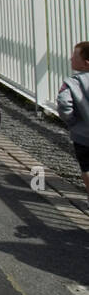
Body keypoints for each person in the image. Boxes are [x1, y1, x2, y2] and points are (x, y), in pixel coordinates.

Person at [56, 42, 89, 199]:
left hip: (83, 136)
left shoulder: (72, 83)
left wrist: (72, 122)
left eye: (74, 56)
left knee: (87, 167)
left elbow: (64, 104)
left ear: (85, 63)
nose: (70, 58)